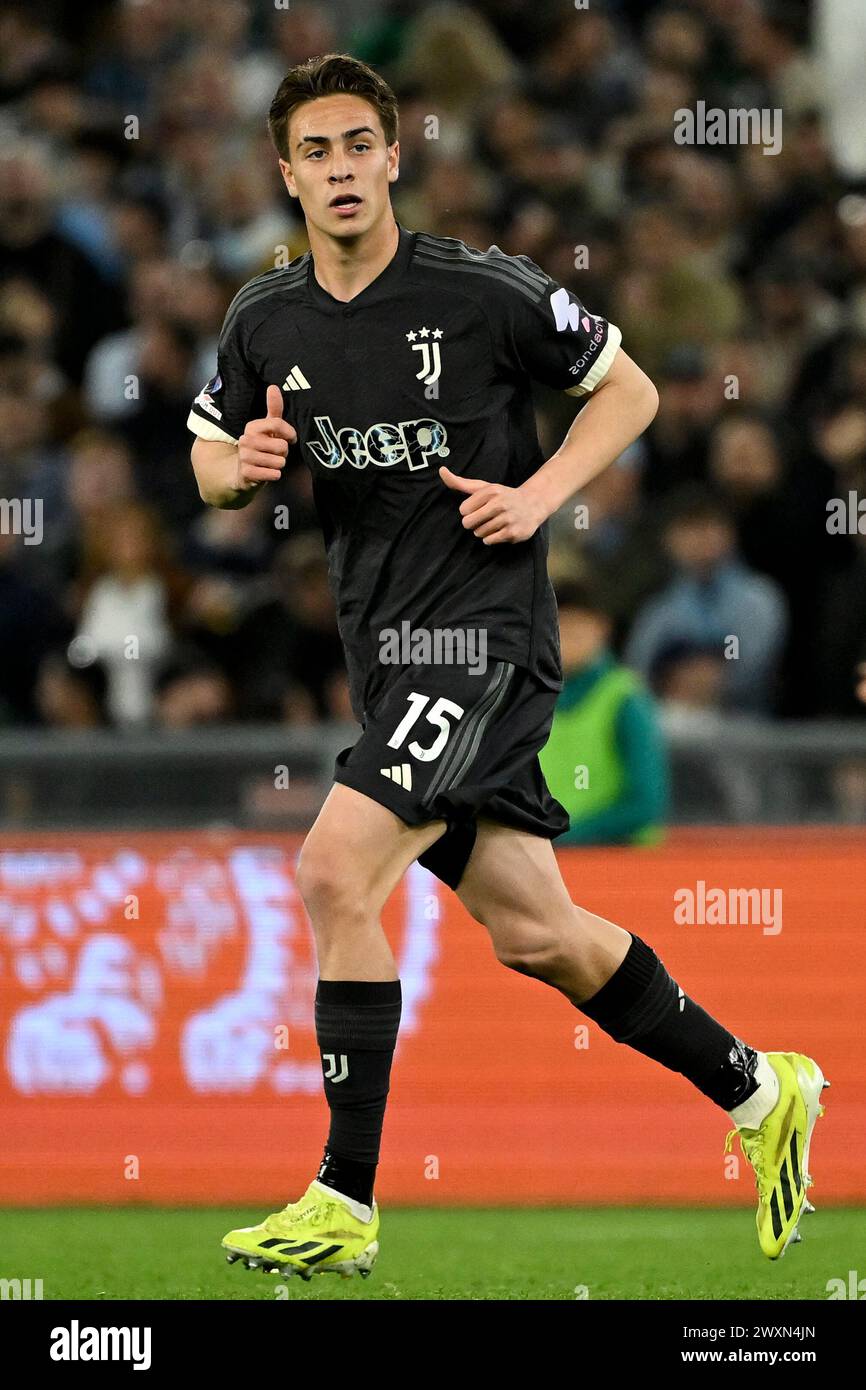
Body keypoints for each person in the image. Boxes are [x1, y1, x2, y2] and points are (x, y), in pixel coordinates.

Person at [188, 53, 827, 1280]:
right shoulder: (264, 317)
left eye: (357, 145)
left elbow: (627, 391)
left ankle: (343, 1196)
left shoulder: (480, 291)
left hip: (483, 642)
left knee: (331, 870)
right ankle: (759, 1090)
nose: (339, 169)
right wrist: (240, 469)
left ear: (392, 157)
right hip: (387, 657)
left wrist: (537, 495)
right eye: (314, 151)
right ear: (286, 173)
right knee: (536, 934)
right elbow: (210, 457)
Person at [539, 580, 668, 845]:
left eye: (577, 629)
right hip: (552, 855)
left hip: (619, 858)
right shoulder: (531, 699)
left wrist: (567, 836)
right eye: (559, 627)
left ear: (602, 629)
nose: (567, 640)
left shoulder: (625, 699)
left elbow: (646, 803)